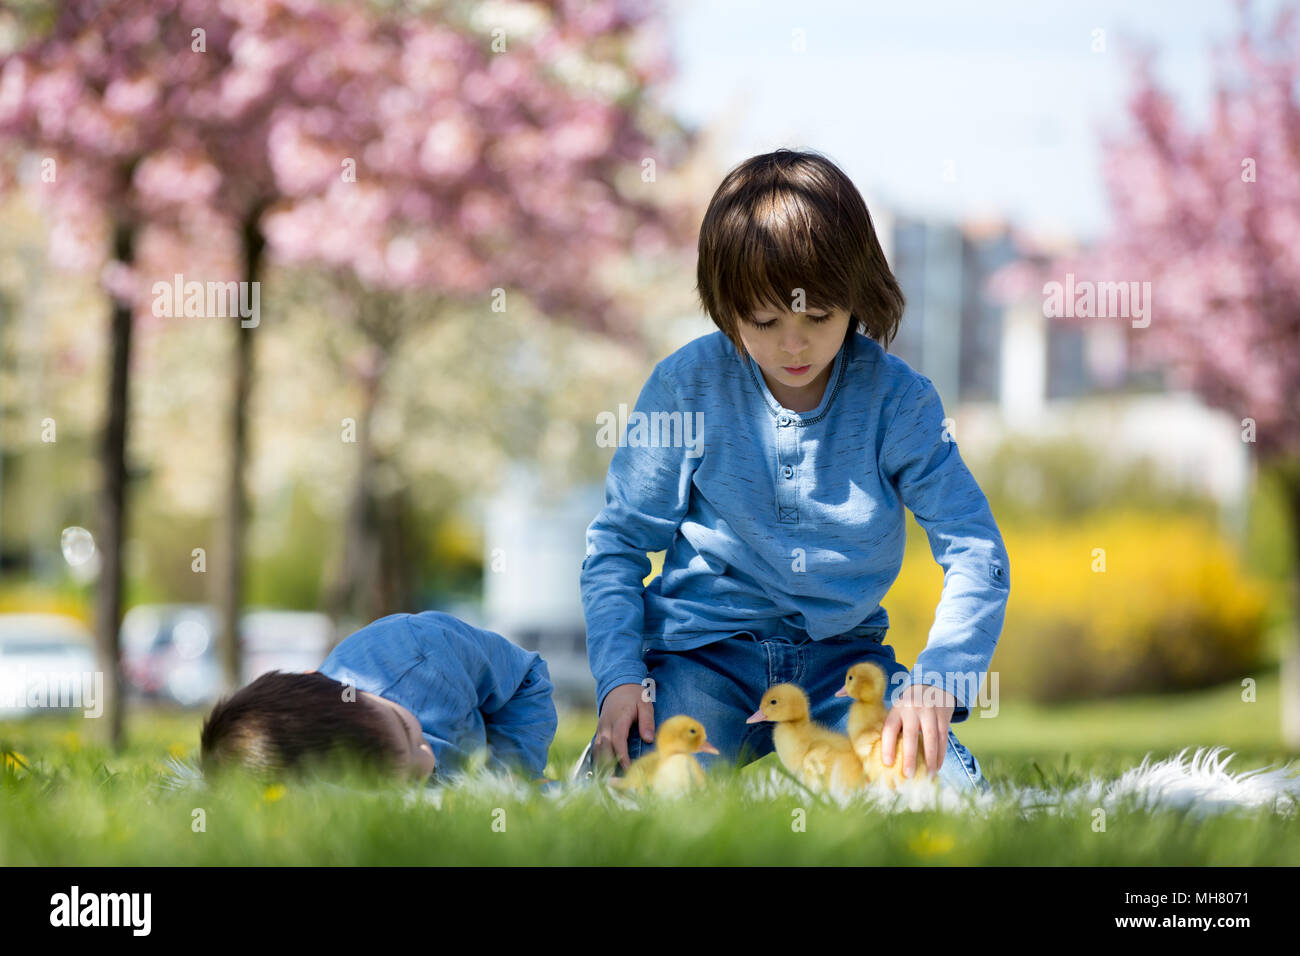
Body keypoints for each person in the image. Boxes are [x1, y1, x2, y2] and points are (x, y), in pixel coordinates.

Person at [578, 148, 1010, 793]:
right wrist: (619, 676)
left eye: (819, 317)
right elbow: (617, 544)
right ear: (726, 308)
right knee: (645, 805)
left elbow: (974, 548)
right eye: (765, 321)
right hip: (698, 658)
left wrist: (939, 680)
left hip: (846, 667)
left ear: (858, 297)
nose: (794, 345)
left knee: (935, 793)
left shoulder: (900, 401)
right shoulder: (685, 387)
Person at [200, 610, 558, 786]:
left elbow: (527, 678)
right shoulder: (328, 777)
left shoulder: (427, 655)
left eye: (407, 733)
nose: (425, 757)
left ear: (318, 677)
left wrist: (510, 774)